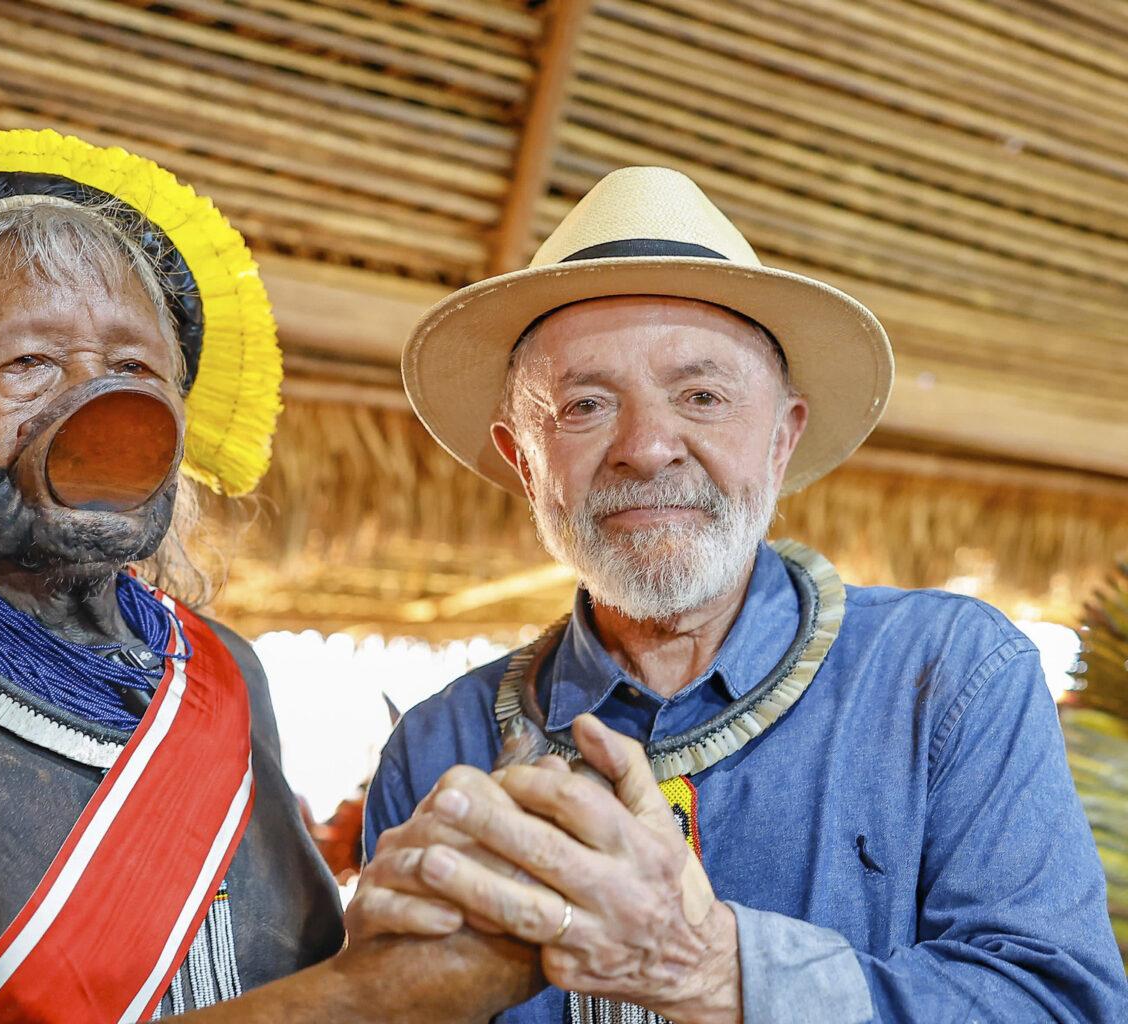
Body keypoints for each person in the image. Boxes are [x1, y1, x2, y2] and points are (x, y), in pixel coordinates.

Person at [0, 100, 537, 1024]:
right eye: (29, 360)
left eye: (137, 370)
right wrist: (392, 992)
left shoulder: (227, 671)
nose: (100, 405)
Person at [358, 166, 1128, 1022]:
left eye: (702, 395)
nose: (647, 447)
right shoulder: (437, 751)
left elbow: (1064, 1007)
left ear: (782, 437)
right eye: (583, 406)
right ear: (521, 460)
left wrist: (716, 972)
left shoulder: (949, 676)